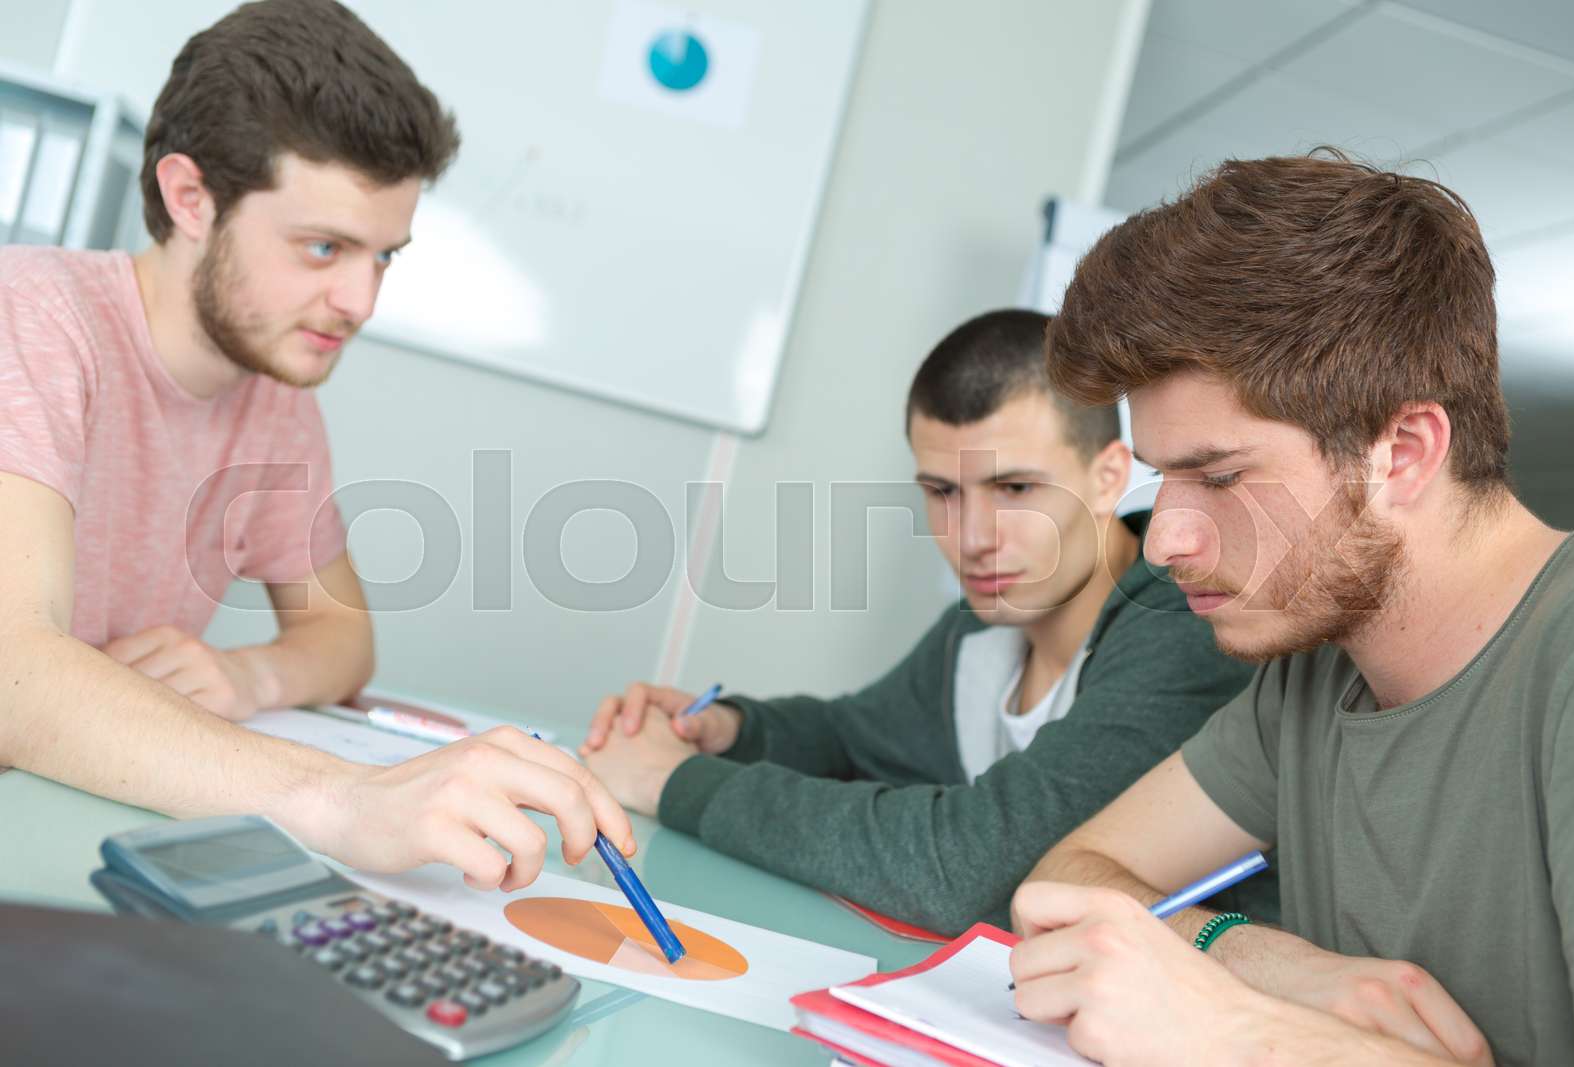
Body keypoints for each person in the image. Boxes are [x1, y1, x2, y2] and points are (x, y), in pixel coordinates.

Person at [0, 0, 634, 891]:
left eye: (384, 256)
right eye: (325, 246)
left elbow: (342, 636)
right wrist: (346, 802)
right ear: (191, 198)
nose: (361, 301)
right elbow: (13, 673)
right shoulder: (31, 317)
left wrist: (245, 674)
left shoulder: (275, 402)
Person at [1009, 152, 1574, 1066]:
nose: (1162, 541)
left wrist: (1242, 1030)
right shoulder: (1319, 666)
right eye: (1168, 479)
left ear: (1401, 451)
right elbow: (1067, 881)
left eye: (1221, 475)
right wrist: (1257, 959)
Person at [580, 309, 1263, 935]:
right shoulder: (980, 625)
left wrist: (673, 782)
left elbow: (964, 870)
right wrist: (727, 728)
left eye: (1014, 488)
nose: (970, 537)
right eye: (942, 492)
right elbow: (851, 736)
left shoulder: (1184, 628)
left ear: (1109, 476)